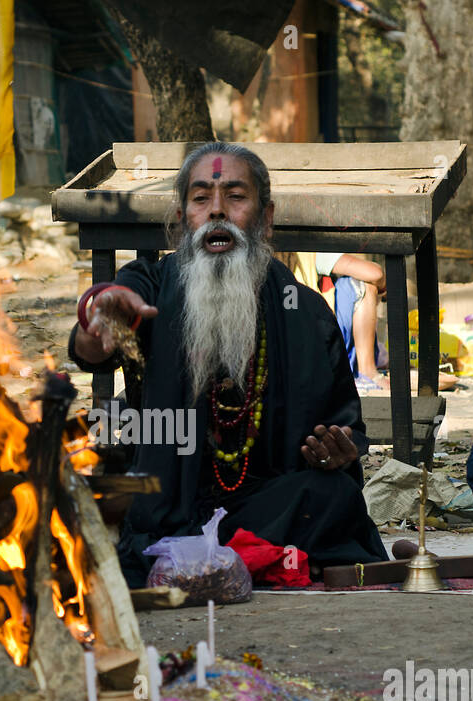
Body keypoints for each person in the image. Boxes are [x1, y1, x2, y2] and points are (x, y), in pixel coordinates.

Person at [69, 141, 388, 585]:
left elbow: (347, 433)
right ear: (182, 222)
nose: (217, 211)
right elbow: (91, 348)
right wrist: (104, 318)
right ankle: (251, 559)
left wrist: (338, 452)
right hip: (167, 506)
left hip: (264, 505)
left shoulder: (307, 313)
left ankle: (212, 559)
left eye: (235, 197)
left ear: (266, 218)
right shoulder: (149, 286)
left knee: (334, 497)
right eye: (201, 198)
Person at [314, 251, 387, 389]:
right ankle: (368, 373)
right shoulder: (312, 252)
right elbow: (375, 274)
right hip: (321, 342)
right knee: (362, 284)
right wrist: (383, 288)